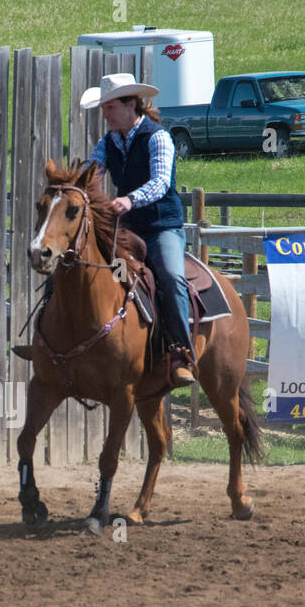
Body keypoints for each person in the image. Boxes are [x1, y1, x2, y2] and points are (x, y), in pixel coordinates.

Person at [81, 72, 195, 388]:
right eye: (103, 108)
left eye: (110, 107)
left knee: (171, 277)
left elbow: (160, 183)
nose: (105, 115)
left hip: (162, 228)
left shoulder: (159, 137)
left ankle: (181, 352)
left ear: (131, 104)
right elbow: (91, 173)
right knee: (81, 262)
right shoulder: (107, 142)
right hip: (127, 229)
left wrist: (130, 200)